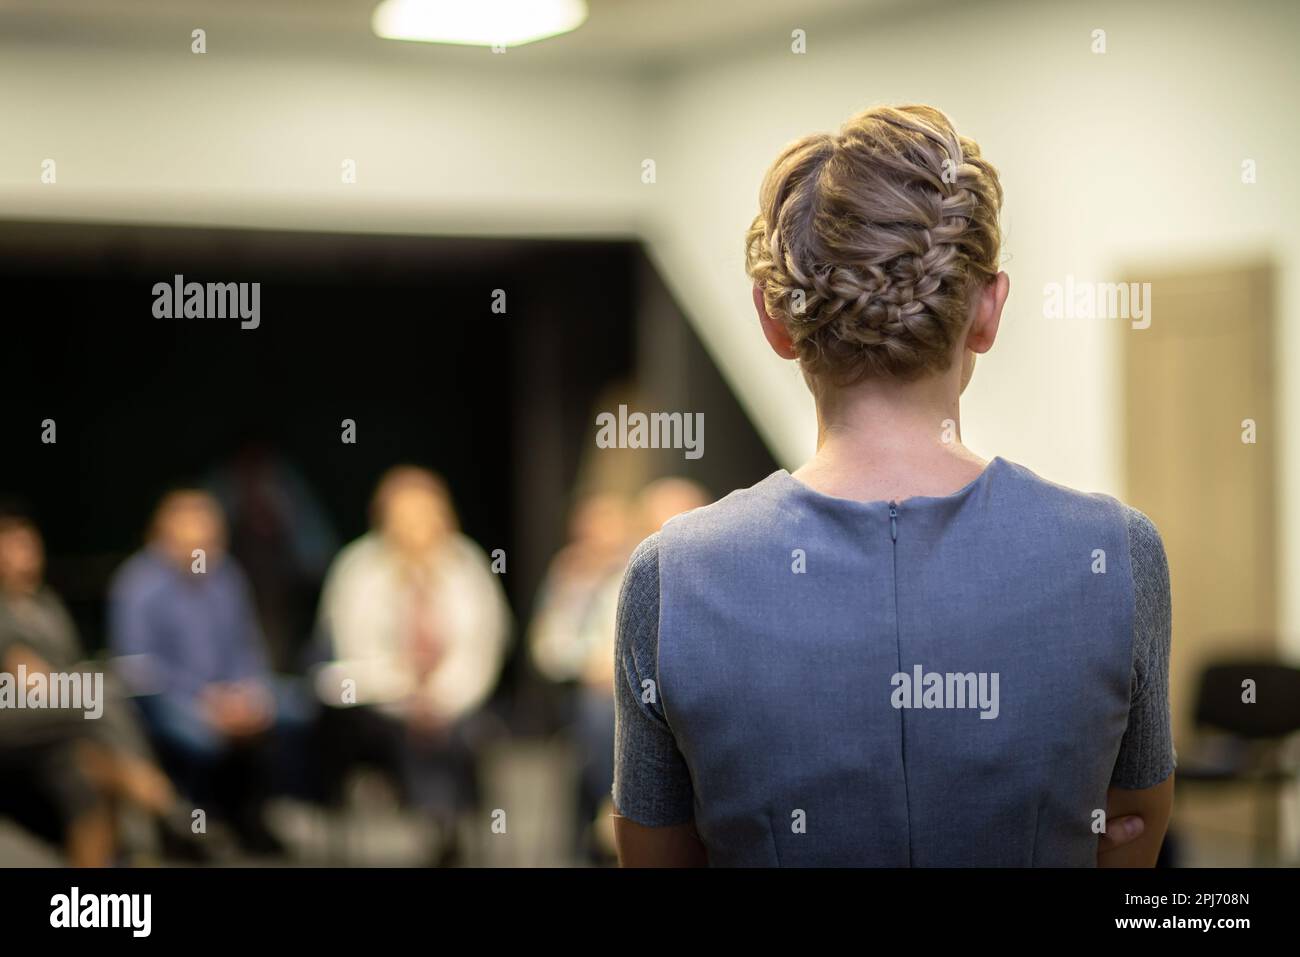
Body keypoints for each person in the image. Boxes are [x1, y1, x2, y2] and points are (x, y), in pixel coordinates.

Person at [612, 105, 1174, 867]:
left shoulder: (672, 576)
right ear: (987, 308)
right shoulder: (1117, 554)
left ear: (775, 319)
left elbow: (657, 853)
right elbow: (1134, 826)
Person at [314, 466, 511, 862]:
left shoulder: (468, 564)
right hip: (381, 705)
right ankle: (435, 828)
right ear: (383, 521)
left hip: (454, 705)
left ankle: (443, 830)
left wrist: (439, 699)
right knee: (403, 737)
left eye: (429, 516)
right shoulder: (357, 569)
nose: (418, 529)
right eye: (405, 519)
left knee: (462, 734)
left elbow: (483, 649)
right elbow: (354, 651)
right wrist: (408, 696)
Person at [108, 488, 302, 855]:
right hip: (171, 702)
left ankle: (251, 818)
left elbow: (248, 649)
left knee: (293, 705)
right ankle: (189, 826)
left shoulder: (227, 576)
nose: (202, 551)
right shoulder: (137, 583)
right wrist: (207, 704)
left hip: (231, 697)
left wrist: (246, 694)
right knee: (195, 732)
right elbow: (138, 672)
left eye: (210, 540)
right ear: (162, 536)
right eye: (191, 540)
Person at [0, 507, 181, 866]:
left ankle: (128, 862)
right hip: (11, 712)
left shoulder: (46, 604)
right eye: (13, 546)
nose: (25, 556)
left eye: (29, 545)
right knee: (98, 693)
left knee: (80, 773)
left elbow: (65, 669)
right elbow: (26, 678)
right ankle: (162, 798)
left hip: (54, 726)